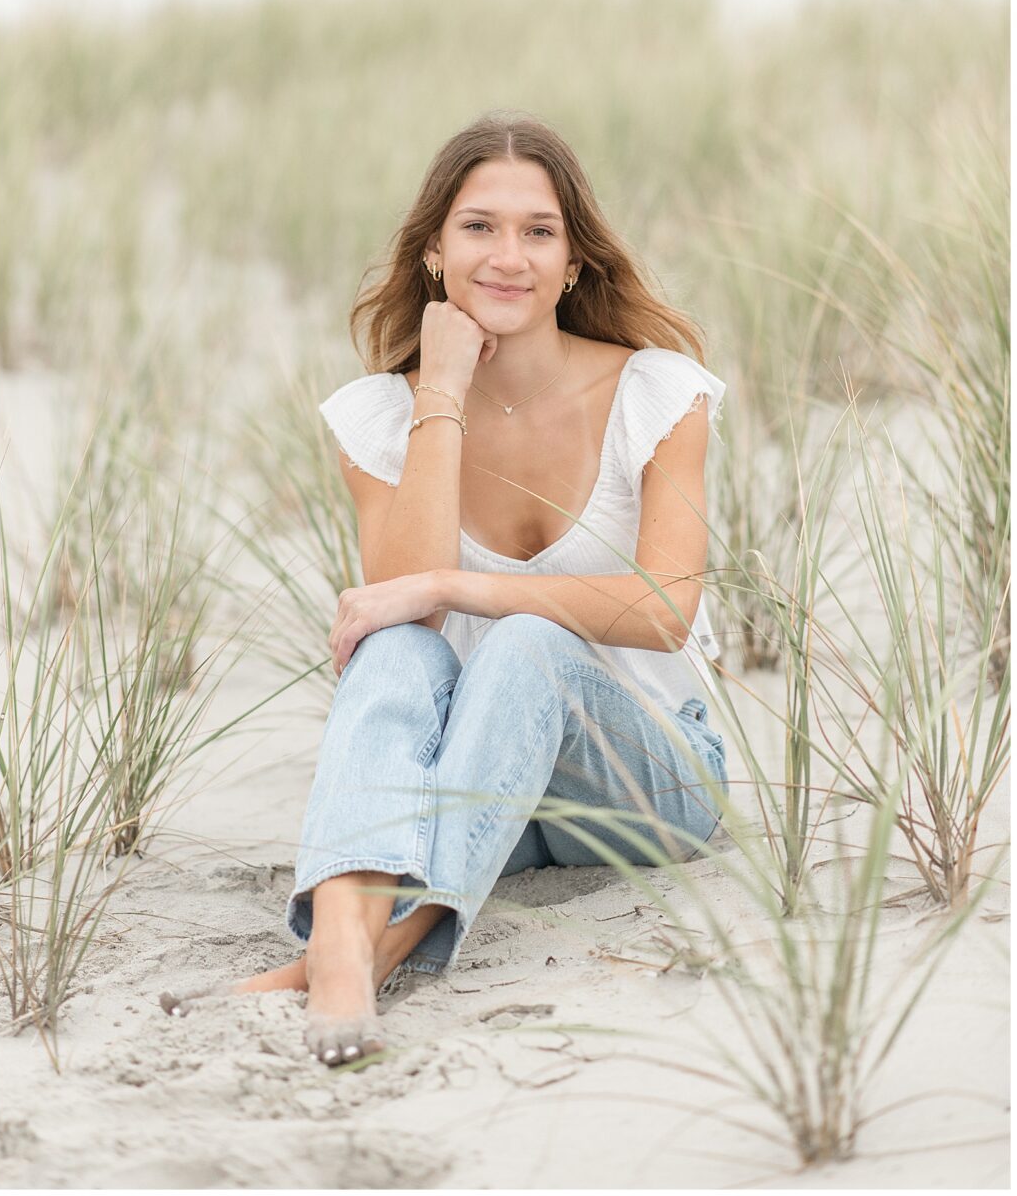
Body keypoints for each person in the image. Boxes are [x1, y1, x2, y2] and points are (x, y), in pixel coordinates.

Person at [161, 111, 729, 1068]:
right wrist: (442, 391)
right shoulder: (381, 419)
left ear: (574, 262)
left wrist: (460, 585)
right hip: (497, 793)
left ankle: (362, 954)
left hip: (649, 785)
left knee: (526, 642)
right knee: (395, 647)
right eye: (478, 227)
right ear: (433, 249)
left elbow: (666, 610)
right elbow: (408, 613)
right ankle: (343, 945)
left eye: (539, 231)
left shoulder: (657, 394)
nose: (508, 256)